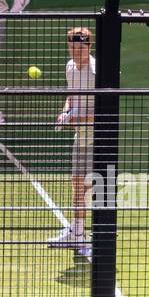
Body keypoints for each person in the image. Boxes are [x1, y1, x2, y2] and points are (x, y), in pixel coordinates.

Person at [47, 27, 96, 259]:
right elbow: (71, 95)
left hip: (98, 138)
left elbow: (103, 111)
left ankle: (89, 238)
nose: (76, 52)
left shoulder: (96, 72)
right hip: (80, 137)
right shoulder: (69, 67)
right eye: (72, 48)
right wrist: (65, 112)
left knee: (90, 189)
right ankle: (77, 233)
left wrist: (77, 118)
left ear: (89, 47)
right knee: (77, 184)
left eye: (81, 48)